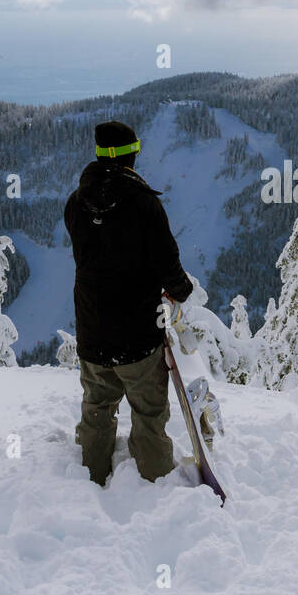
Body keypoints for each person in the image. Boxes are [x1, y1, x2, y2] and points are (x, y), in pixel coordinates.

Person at [64, 120, 194, 485]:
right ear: (131, 155)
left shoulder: (76, 203)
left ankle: (90, 477)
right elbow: (167, 262)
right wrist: (181, 290)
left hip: (92, 329)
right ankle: (155, 482)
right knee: (149, 411)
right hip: (137, 334)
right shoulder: (144, 204)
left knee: (97, 408)